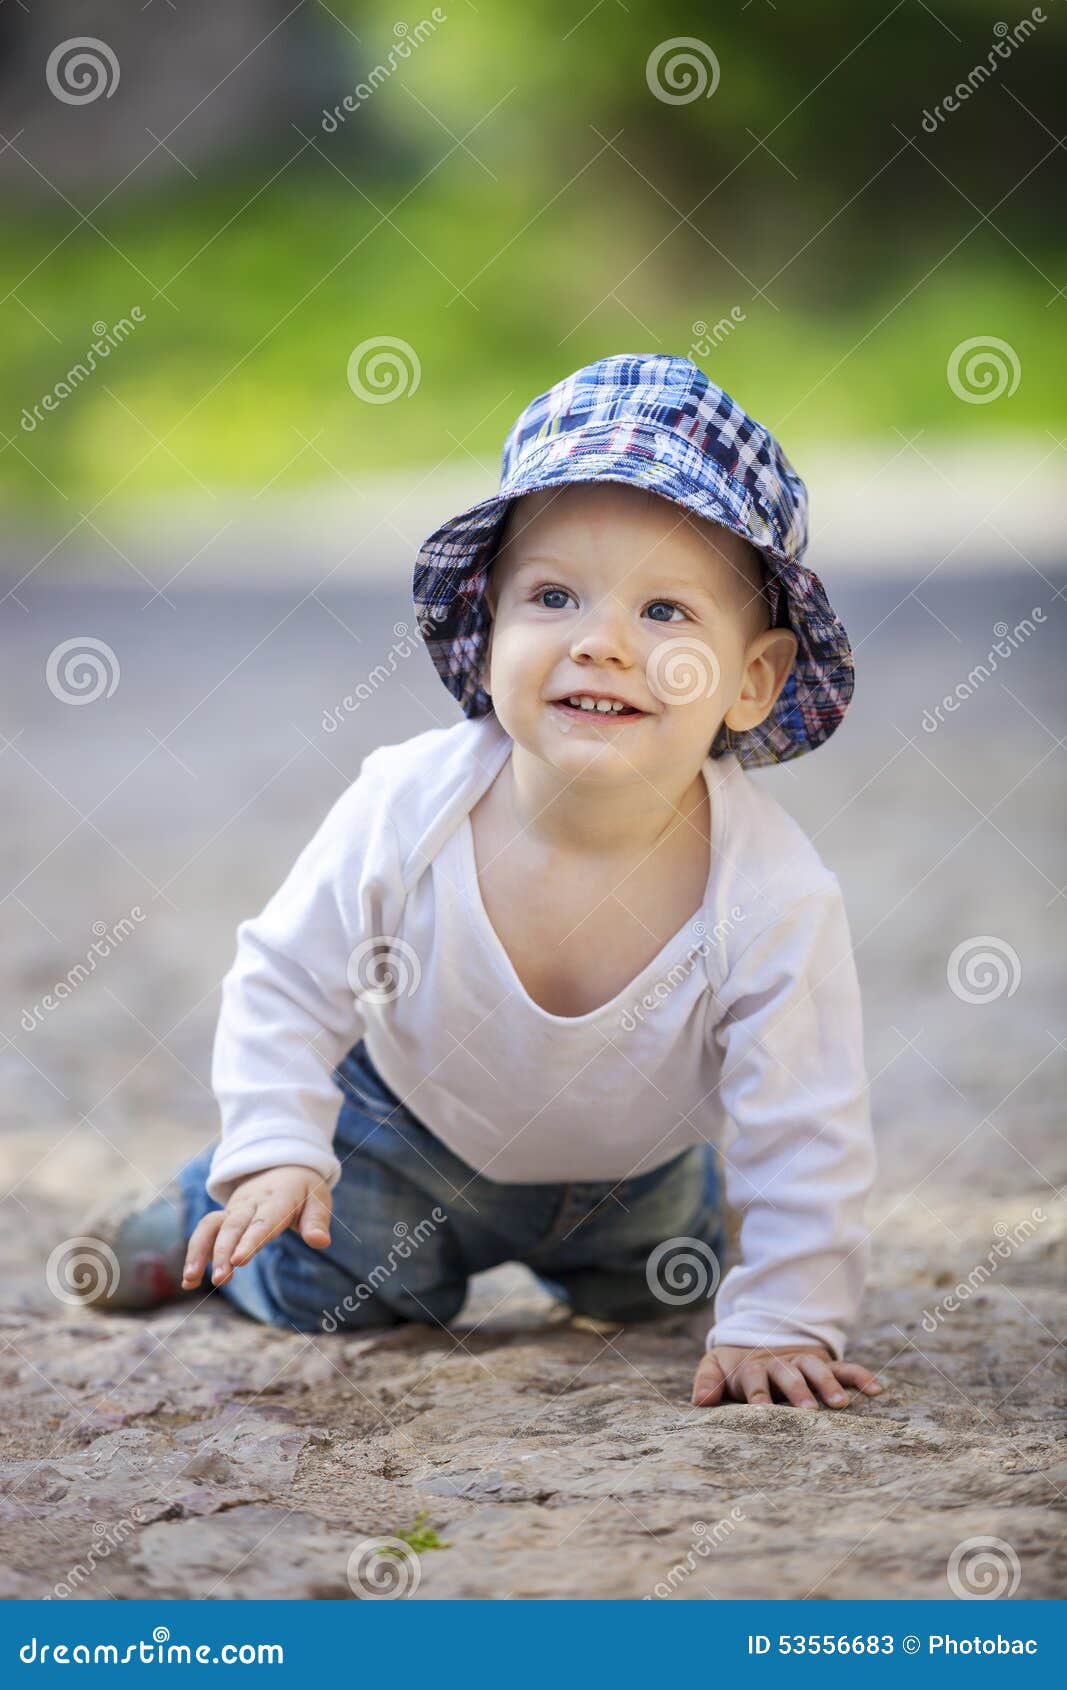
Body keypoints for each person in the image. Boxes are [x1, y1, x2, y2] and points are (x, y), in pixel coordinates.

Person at [77, 352, 882, 1413]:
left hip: (626, 1180)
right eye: (553, 596)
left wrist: (782, 1316)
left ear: (752, 679)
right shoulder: (410, 802)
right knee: (341, 1286)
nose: (599, 642)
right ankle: (210, 1205)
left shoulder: (771, 890)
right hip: (401, 1135)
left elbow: (804, 1115)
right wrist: (278, 1143)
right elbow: (285, 975)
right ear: (489, 623)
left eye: (664, 613)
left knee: (662, 1294)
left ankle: (665, 1234)